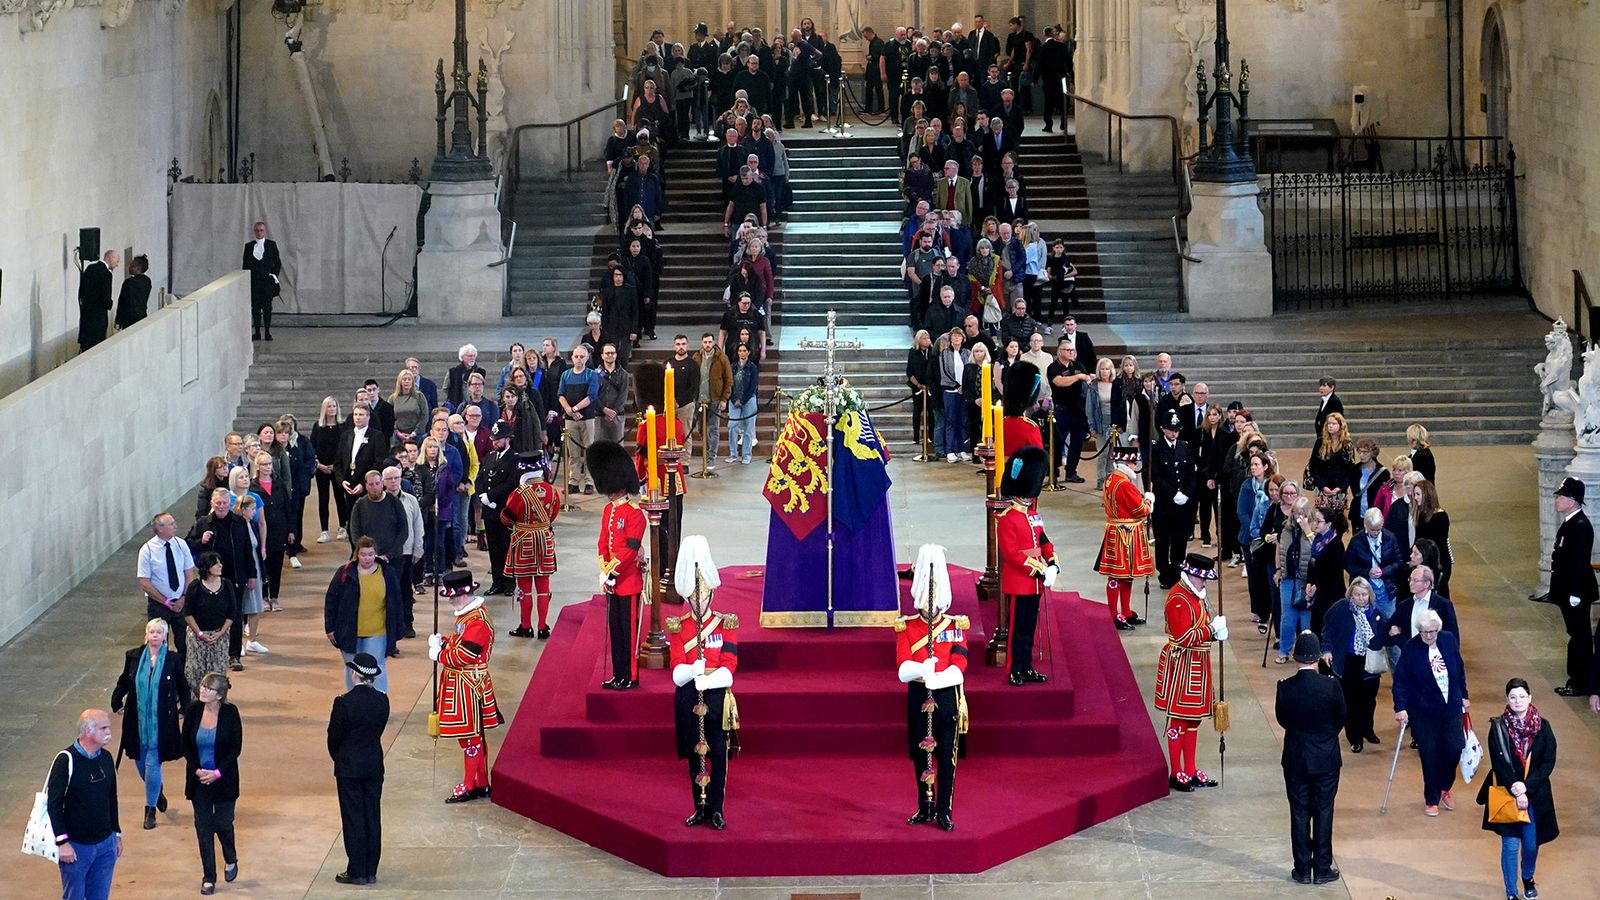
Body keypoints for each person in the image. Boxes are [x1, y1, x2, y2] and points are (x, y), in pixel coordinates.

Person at [667, 536, 740, 830]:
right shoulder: (679, 627)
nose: (699, 603)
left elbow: (730, 667)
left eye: (703, 596)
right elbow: (675, 669)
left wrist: (705, 679)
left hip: (716, 697)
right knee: (694, 758)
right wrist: (690, 671)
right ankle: (699, 807)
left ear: (712, 594)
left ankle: (717, 809)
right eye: (694, 598)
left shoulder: (725, 624)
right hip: (687, 696)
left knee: (718, 758)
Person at [896, 543, 968, 832]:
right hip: (917, 694)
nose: (931, 600)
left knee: (947, 757)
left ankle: (944, 809)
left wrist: (940, 677)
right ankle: (925, 805)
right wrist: (920, 670)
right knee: (920, 752)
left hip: (946, 695)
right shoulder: (907, 627)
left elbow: (960, 663)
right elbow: (902, 667)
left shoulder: (955, 624)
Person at [1478, 677, 1558, 900]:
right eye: (1513, 697)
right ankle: (1511, 892)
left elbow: (1548, 762)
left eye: (1522, 696)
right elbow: (1498, 763)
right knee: (1511, 846)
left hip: (1535, 794)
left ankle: (1528, 878)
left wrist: (1527, 788)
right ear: (1507, 699)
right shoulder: (1498, 727)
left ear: (1530, 698)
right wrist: (1516, 789)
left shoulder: (1544, 727)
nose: (1518, 701)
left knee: (1531, 846)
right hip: (1507, 793)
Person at [1275, 630, 1345, 886]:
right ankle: (1323, 867)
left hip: (1295, 757)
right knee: (1324, 811)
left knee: (1299, 811)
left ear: (1296, 659)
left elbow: (1283, 720)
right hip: (1326, 758)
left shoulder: (1285, 687)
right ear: (1317, 658)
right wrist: (1325, 738)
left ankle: (1302, 869)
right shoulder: (1331, 685)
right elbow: (1341, 718)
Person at [1154, 554, 1228, 791]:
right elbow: (1184, 637)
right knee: (1178, 719)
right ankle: (1176, 772)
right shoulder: (1178, 598)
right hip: (1182, 666)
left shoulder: (1196, 596)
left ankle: (1191, 769)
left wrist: (1214, 633)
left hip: (1198, 664)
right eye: (1203, 579)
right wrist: (1211, 630)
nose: (1205, 584)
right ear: (1192, 575)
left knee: (1193, 720)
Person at [430, 569, 502, 803]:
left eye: (453, 598)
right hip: (463, 682)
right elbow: (460, 643)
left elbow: (464, 655)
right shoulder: (467, 616)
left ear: (464, 595)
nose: (451, 602)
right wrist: (445, 642)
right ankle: (481, 782)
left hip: (469, 685)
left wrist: (440, 654)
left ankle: (471, 785)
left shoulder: (478, 621)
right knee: (474, 735)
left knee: (470, 736)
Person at [110, 619, 187, 830]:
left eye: (159, 632)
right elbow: (124, 681)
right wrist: (116, 702)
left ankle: (150, 809)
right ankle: (157, 790)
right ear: (146, 635)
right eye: (151, 631)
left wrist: (184, 709)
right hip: (136, 720)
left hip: (161, 722)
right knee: (141, 764)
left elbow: (183, 686)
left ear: (165, 637)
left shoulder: (173, 659)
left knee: (153, 763)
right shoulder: (133, 656)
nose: (155, 635)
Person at [1393, 609, 1469, 816]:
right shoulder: (1411, 648)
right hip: (1424, 711)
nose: (1429, 636)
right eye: (1425, 632)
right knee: (1430, 755)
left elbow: (1459, 669)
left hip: (1451, 706)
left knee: (1455, 747)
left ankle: (1445, 786)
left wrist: (1464, 694)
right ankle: (1432, 798)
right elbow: (1400, 680)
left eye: (1432, 631)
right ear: (1419, 630)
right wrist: (1400, 707)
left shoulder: (1448, 640)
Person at [997, 445, 1059, 686]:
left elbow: (1043, 540)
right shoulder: (1007, 518)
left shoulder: (1032, 515)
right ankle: (1015, 668)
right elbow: (1011, 554)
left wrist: (1052, 562)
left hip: (1035, 584)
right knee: (1017, 630)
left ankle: (1027, 666)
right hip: (1021, 580)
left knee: (1030, 629)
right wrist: (1039, 568)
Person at [328, 653, 390, 886]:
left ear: (355, 674)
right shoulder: (383, 700)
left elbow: (333, 738)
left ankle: (357, 870)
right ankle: (371, 870)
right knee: (372, 816)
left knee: (353, 818)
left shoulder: (343, 702)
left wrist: (341, 758)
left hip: (349, 767)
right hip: (373, 764)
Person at [590, 441, 648, 690]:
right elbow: (603, 542)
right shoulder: (608, 511)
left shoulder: (635, 513)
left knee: (629, 633)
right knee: (616, 632)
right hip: (613, 582)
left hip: (628, 581)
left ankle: (631, 676)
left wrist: (613, 571)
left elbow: (630, 550)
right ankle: (618, 673)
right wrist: (605, 570)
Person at [47, 710, 122, 899]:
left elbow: (111, 798)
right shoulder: (65, 761)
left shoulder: (106, 758)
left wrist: (116, 834)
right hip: (77, 847)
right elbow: (54, 804)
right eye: (103, 728)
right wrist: (62, 842)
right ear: (88, 731)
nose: (109, 732)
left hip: (106, 844)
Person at [183, 672, 242, 894]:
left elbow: (235, 748)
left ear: (219, 695)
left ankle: (230, 856)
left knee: (223, 824)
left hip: (223, 778)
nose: (202, 691)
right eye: (202, 686)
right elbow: (186, 744)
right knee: (203, 827)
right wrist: (197, 769)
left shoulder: (230, 713)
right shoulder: (193, 710)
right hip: (199, 780)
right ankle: (209, 876)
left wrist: (217, 772)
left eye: (208, 688)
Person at [323, 537, 406, 690]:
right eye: (363, 554)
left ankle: (379, 705)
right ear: (357, 555)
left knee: (377, 667)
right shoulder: (345, 572)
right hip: (349, 632)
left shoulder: (387, 573)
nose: (367, 558)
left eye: (370, 554)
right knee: (352, 668)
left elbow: (396, 602)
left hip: (377, 631)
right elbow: (331, 600)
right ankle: (354, 703)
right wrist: (329, 627)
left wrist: (398, 628)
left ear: (376, 554)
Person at [1320, 577, 1388, 753]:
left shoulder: (1376, 612)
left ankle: (1368, 730)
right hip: (1348, 661)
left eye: (1364, 594)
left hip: (1370, 662)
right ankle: (1355, 737)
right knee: (1351, 701)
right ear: (1351, 594)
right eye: (1357, 594)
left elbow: (1385, 633)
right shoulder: (1341, 608)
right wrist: (1327, 649)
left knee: (1369, 700)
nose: (1361, 598)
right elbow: (1328, 630)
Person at [1095, 442, 1153, 630]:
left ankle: (1125, 611)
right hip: (1125, 534)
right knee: (1118, 575)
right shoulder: (1125, 485)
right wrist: (1149, 500)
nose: (1135, 466)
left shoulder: (1111, 479)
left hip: (1116, 531)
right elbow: (1141, 510)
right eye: (1134, 463)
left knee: (1124, 575)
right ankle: (1115, 614)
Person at [502, 451, 560, 639]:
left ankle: (526, 626)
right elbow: (554, 513)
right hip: (544, 539)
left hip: (524, 540)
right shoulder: (552, 490)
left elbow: (506, 517)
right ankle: (543, 627)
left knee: (524, 586)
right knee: (543, 585)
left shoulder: (518, 493)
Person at [1549, 478, 1597, 697]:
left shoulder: (1580, 526)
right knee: (1577, 634)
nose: (1557, 500)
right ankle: (1579, 678)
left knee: (1580, 637)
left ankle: (1580, 681)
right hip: (1567, 591)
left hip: (1575, 592)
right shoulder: (1570, 523)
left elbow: (1579, 562)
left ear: (1573, 500)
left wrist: (1576, 593)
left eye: (1561, 497)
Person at [138, 512, 197, 659]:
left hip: (181, 602)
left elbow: (189, 573)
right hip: (159, 604)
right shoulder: (147, 550)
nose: (175, 526)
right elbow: (145, 583)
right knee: (158, 642)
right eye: (171, 524)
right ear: (160, 528)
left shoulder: (180, 544)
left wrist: (183, 598)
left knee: (184, 642)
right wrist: (166, 601)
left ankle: (183, 675)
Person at [1151, 408, 1197, 589]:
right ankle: (1164, 572)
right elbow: (1156, 475)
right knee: (1162, 541)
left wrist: (1186, 494)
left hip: (1182, 506)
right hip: (1164, 504)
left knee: (1179, 541)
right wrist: (1173, 493)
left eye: (1176, 429)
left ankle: (1177, 572)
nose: (1174, 433)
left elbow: (1191, 474)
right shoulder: (1156, 449)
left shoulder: (1185, 447)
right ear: (1163, 429)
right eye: (1171, 429)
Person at [183, 552, 237, 700]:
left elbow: (232, 613)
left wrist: (220, 633)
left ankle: (218, 703)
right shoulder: (195, 587)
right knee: (195, 672)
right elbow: (188, 613)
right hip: (197, 637)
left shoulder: (227, 585)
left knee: (218, 673)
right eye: (216, 563)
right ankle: (195, 704)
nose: (221, 566)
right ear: (207, 567)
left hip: (219, 636)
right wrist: (200, 634)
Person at [241, 222, 282, 340]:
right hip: (255, 283)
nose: (259, 232)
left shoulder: (271, 245)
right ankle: (257, 331)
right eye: (257, 230)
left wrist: (273, 275)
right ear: (254, 231)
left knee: (267, 307)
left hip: (267, 283)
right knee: (256, 308)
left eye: (261, 230)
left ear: (265, 231)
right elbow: (245, 265)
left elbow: (277, 263)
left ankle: (268, 332)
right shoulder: (249, 246)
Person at [78, 249, 119, 352]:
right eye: (117, 261)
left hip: (86, 315)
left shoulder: (90, 268)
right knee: (96, 347)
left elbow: (81, 291)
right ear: (111, 258)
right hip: (98, 317)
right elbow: (105, 297)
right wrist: (110, 304)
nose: (117, 264)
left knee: (86, 346)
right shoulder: (106, 274)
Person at [726, 342, 760, 465]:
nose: (742, 353)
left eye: (744, 351)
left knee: (748, 428)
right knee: (732, 426)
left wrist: (743, 400)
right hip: (734, 399)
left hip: (748, 399)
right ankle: (733, 453)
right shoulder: (732, 366)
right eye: (740, 351)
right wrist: (734, 399)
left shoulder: (753, 367)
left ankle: (746, 455)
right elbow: (728, 383)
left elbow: (753, 386)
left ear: (748, 352)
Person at [113, 254, 153, 331]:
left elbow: (122, 302)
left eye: (131, 266)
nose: (129, 267)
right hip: (142, 315)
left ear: (137, 268)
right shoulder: (147, 281)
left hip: (129, 318)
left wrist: (118, 320)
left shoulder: (129, 282)